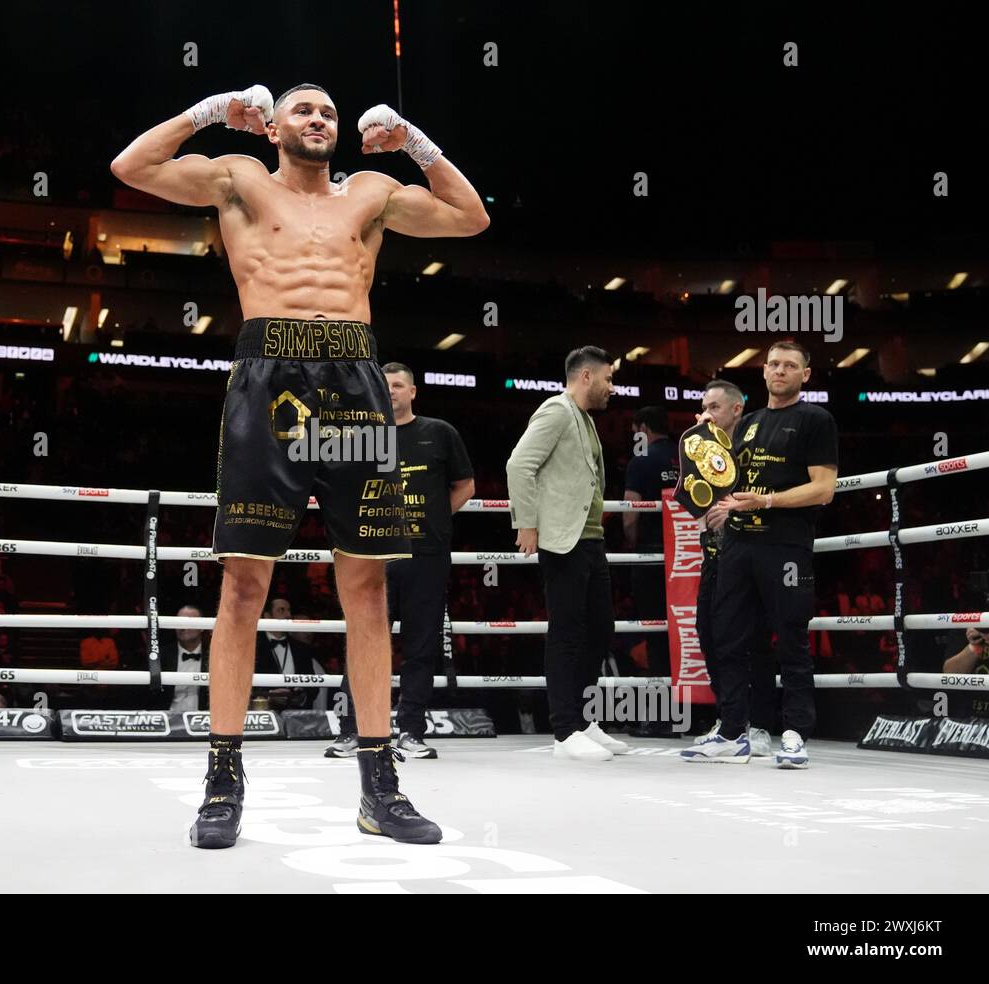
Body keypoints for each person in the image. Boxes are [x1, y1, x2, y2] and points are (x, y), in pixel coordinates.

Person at [112, 81, 488, 848]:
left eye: (329, 114)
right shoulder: (236, 180)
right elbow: (131, 166)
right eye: (303, 110)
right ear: (273, 124)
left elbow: (470, 217)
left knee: (367, 587)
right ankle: (222, 783)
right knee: (245, 583)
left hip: (356, 381)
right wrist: (212, 111)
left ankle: (379, 788)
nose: (319, 120)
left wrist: (414, 141)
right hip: (268, 378)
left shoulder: (373, 192)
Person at [683, 338, 838, 767]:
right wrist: (704, 450)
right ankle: (733, 731)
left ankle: (794, 733)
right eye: (773, 364)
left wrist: (766, 501)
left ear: (805, 375)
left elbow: (824, 489)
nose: (780, 371)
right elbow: (726, 482)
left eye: (790, 365)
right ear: (764, 371)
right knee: (728, 638)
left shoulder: (815, 419)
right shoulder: (748, 423)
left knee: (791, 638)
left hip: (785, 546)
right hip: (737, 545)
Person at [328, 362, 475, 758]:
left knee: (422, 644)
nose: (390, 391)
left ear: (412, 392)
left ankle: (411, 731)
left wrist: (434, 520)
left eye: (397, 385)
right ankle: (352, 730)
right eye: (384, 385)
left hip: (426, 554)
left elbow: (465, 485)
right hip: (374, 552)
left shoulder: (440, 433)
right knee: (364, 638)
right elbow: (339, 490)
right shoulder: (362, 436)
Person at [506, 346, 629, 762]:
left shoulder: (586, 420)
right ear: (587, 377)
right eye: (609, 379)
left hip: (590, 538)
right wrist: (527, 523)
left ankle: (582, 721)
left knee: (600, 629)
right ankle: (563, 731)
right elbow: (518, 464)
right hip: (564, 540)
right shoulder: (557, 411)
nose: (613, 387)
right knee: (567, 631)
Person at [621, 405, 679, 736]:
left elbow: (630, 515)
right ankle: (700, 716)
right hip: (688, 557)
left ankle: (662, 720)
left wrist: (633, 548)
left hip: (651, 556)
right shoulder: (685, 456)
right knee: (687, 632)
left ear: (643, 427)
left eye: (634, 430)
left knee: (656, 633)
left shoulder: (641, 459)